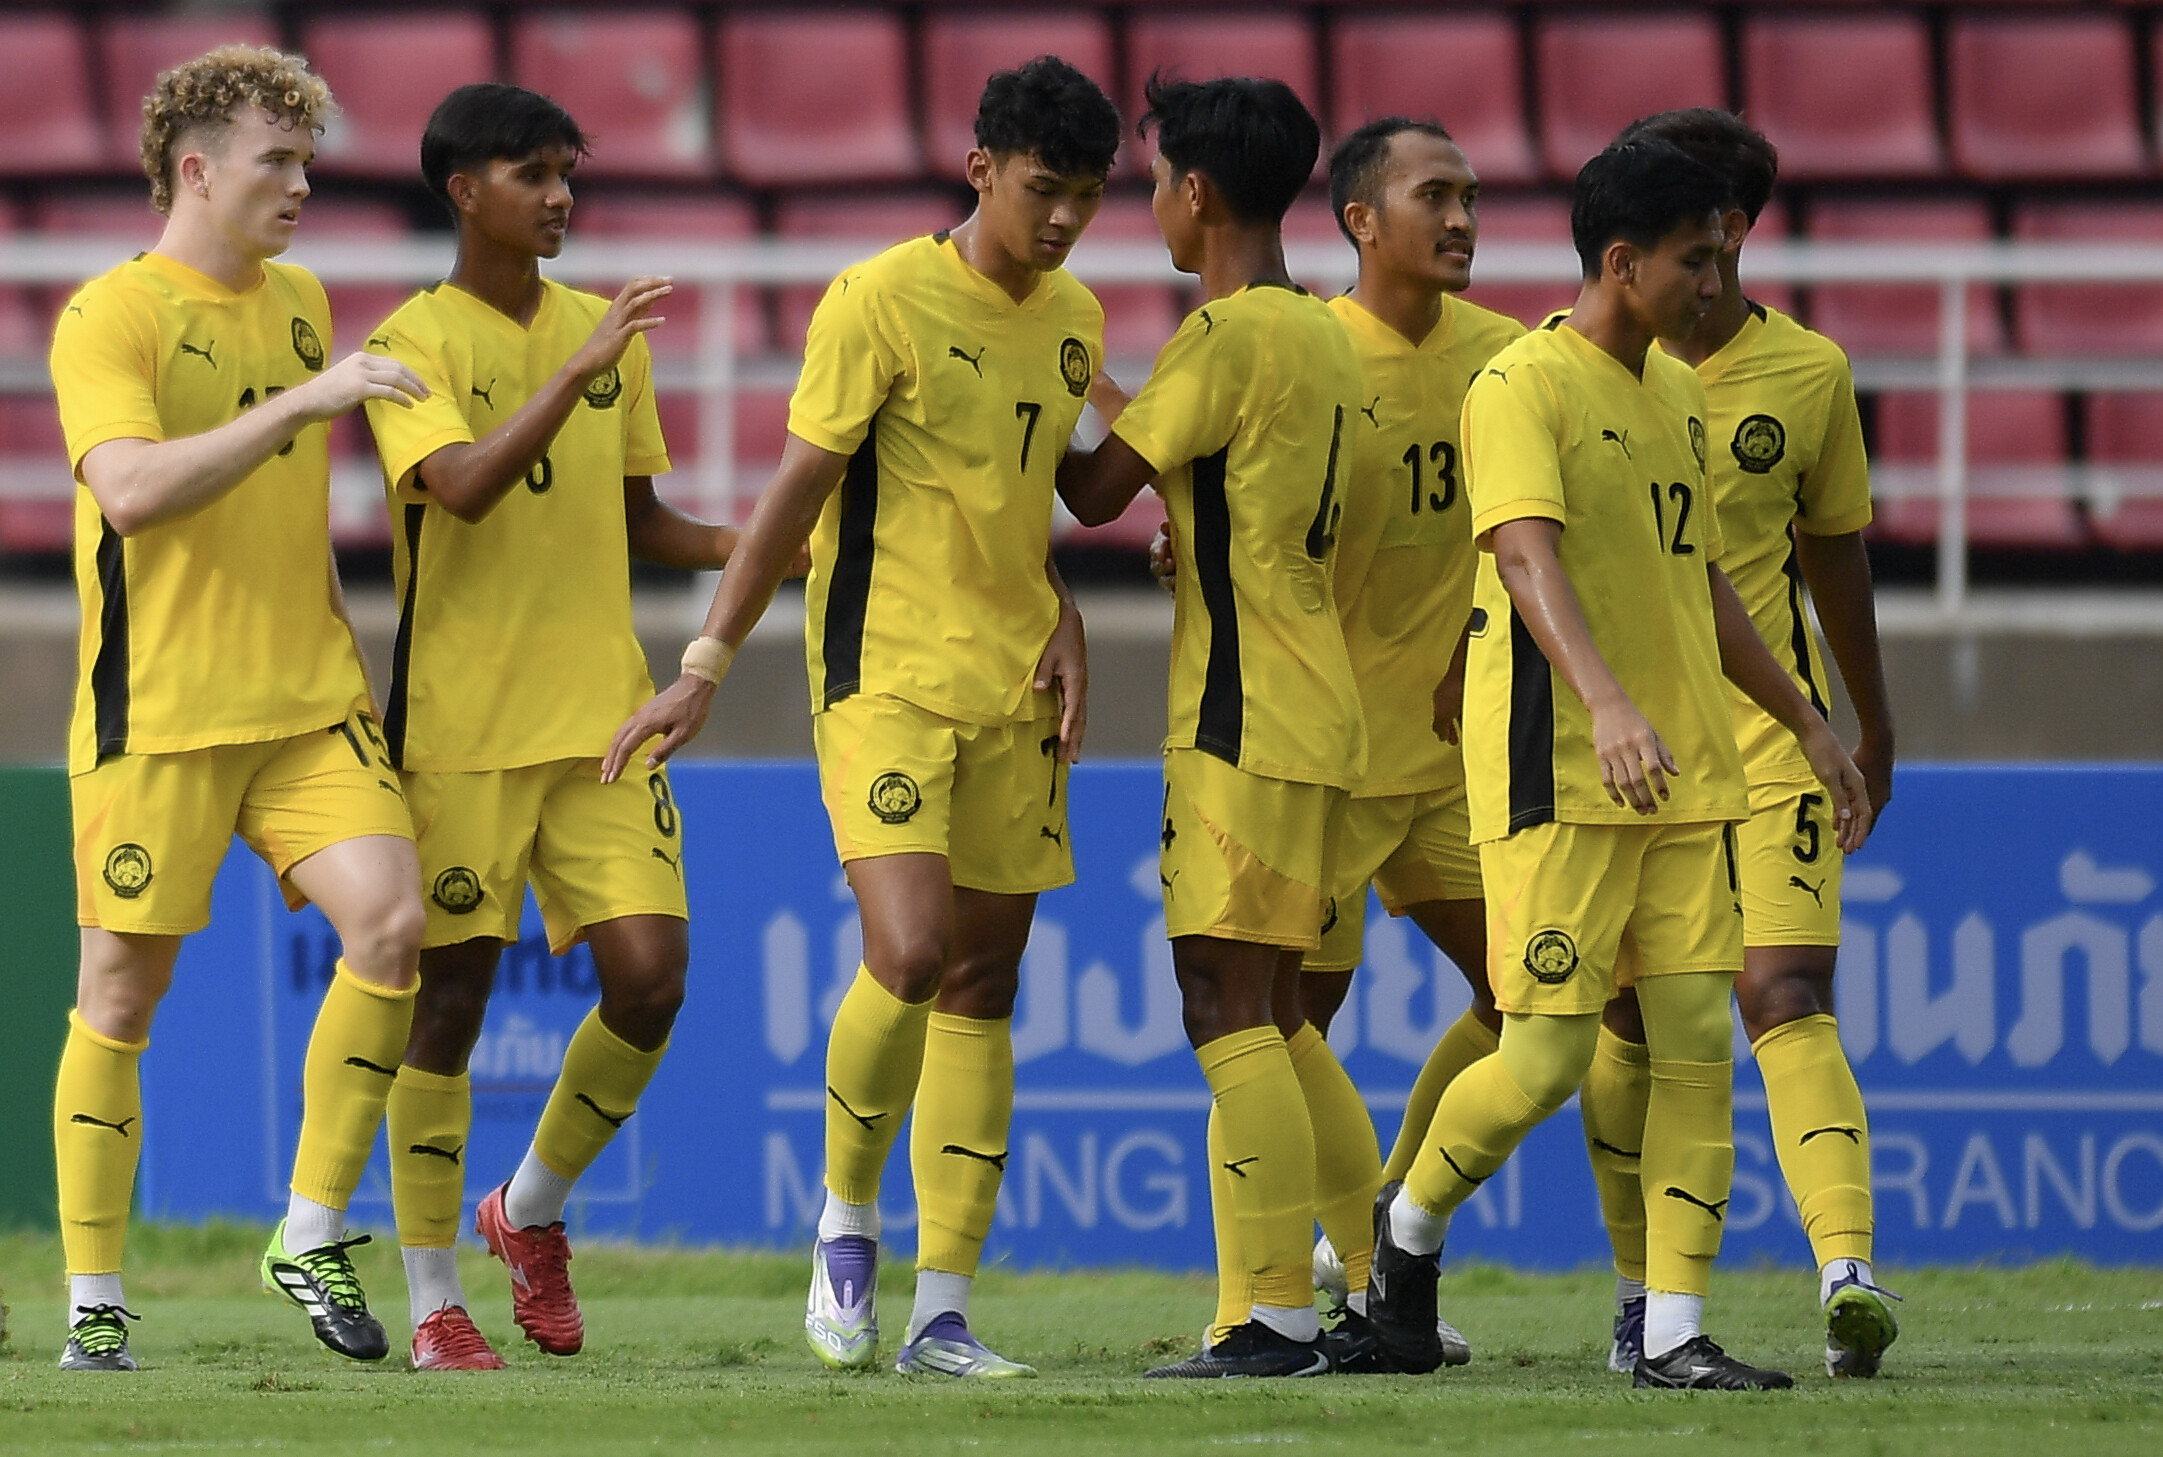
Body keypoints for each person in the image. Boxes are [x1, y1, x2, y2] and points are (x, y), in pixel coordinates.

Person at [603, 57, 1117, 1379]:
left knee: (984, 984)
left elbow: (1022, 497)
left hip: (1014, 688)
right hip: (879, 677)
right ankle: (845, 1224)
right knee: (908, 949)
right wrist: (707, 659)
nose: (1061, 220)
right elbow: (791, 495)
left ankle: (943, 1311)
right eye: (1042, 190)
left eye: (1086, 197)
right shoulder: (879, 300)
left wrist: (1057, 603)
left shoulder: (1074, 319)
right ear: (981, 170)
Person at [1363, 137, 1873, 1390]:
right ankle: (1406, 1235)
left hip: (1690, 774)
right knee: (1542, 1055)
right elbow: (1525, 555)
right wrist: (1608, 702)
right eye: (1696, 260)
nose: (1717, 281)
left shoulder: (1680, 398)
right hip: (1562, 774)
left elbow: (1703, 583)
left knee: (1700, 1038)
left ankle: (1674, 1328)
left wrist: (1809, 723)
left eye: (1722, 255)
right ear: (1623, 259)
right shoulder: (1519, 383)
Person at [48, 45, 430, 1371]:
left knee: (391, 921)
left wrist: (350, 650)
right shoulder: (110, 317)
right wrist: (308, 401)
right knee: (119, 993)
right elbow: (135, 492)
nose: (303, 184)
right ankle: (96, 1299)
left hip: (304, 705)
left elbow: (300, 514)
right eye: (279, 160)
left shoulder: (306, 300)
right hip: (158, 715)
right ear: (196, 169)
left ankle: (307, 1229)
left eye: (310, 160)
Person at [362, 83, 742, 1372]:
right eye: (535, 174)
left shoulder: (606, 331)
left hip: (603, 715)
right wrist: (574, 369)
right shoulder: (408, 339)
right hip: (463, 727)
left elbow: (643, 523)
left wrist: (764, 546)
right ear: (465, 189)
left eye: (570, 173)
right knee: (448, 1005)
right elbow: (460, 487)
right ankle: (430, 1302)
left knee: (652, 976)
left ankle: (526, 1212)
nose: (563, 195)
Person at [1578, 107, 1900, 1380]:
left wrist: (1873, 720)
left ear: (1736, 232)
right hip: (1625, 744)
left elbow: (1837, 560)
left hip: (1772, 740)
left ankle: (1847, 1273)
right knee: (1626, 1024)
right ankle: (1636, 1289)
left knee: (1782, 991)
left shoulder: (1806, 374)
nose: (1702, 265)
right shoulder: (1576, 366)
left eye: (1715, 237)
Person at [1055, 73, 1365, 1379]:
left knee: (1222, 1001)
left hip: (1243, 712)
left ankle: (1275, 1318)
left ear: (1196, 192)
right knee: (1277, 1010)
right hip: (1316, 695)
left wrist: (1054, 364)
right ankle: (1382, 1283)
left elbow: (1087, 491)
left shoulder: (1222, 337)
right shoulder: (1325, 335)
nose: (1148, 208)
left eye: (1152, 183)